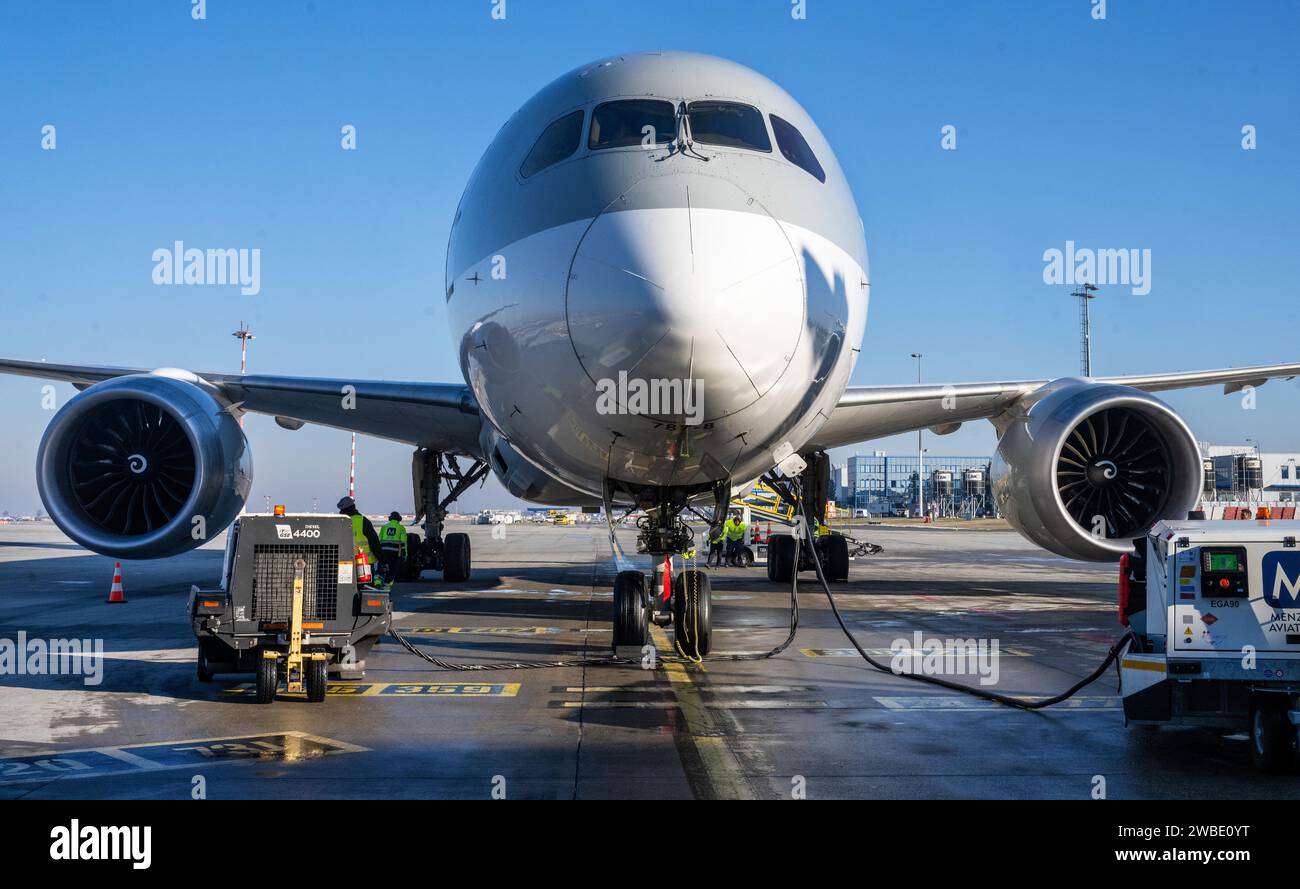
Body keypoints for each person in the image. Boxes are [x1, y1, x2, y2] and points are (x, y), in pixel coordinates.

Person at [338, 496, 383, 581]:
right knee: (366, 587)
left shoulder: (340, 522)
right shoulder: (363, 521)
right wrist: (381, 559)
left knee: (346, 587)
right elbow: (374, 542)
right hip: (364, 562)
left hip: (345, 562)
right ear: (353, 507)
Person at [378, 510, 408, 583]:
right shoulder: (401, 528)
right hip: (394, 552)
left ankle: (379, 581)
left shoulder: (384, 527)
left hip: (383, 551)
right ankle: (388, 582)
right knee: (392, 568)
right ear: (399, 519)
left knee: (383, 566)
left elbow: (379, 540)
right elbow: (403, 543)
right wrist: (404, 554)